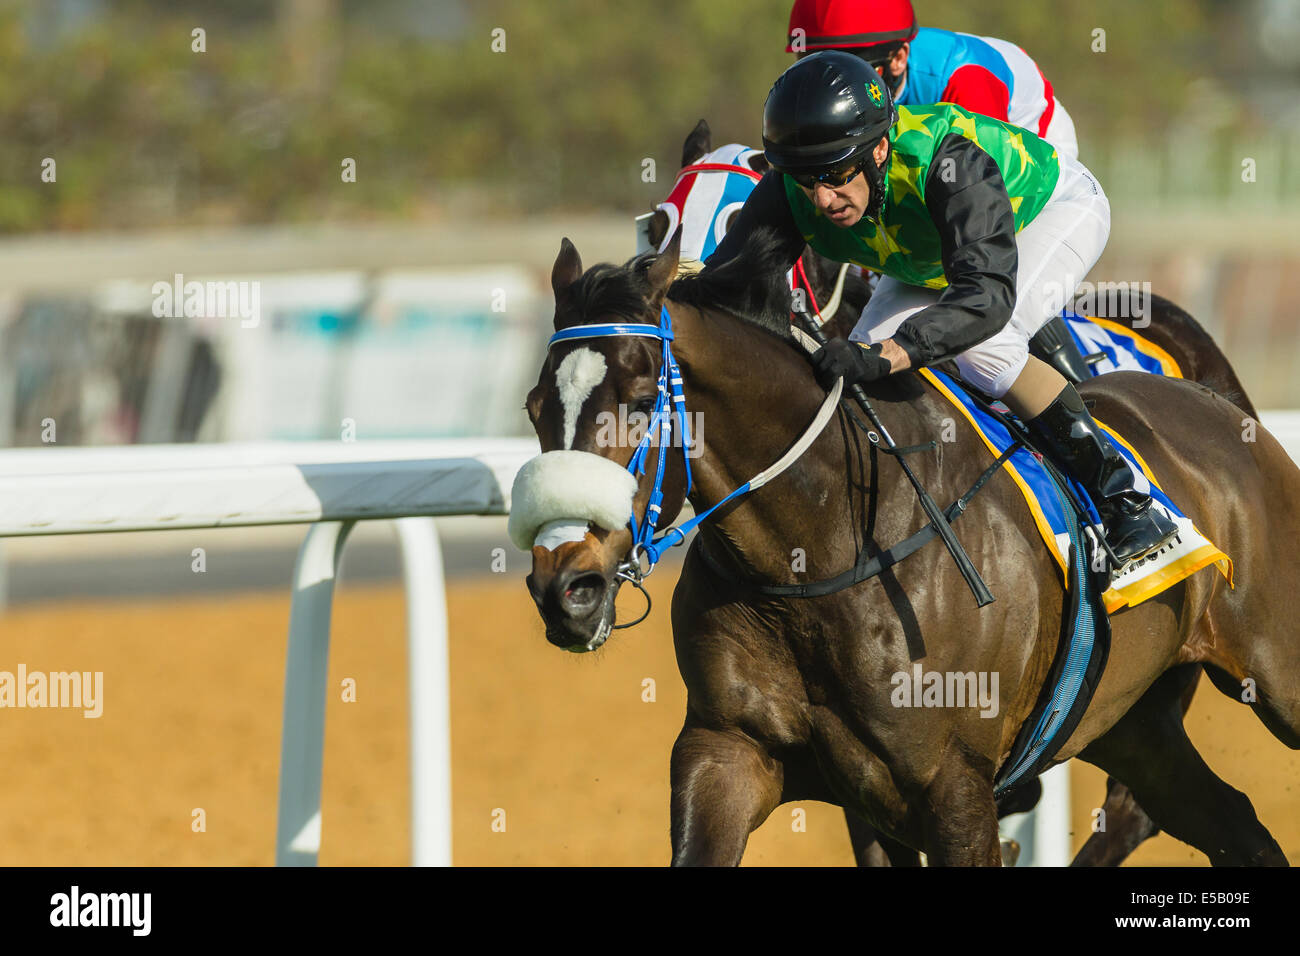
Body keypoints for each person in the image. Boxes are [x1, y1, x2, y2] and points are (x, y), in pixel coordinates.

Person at [705, 51, 1176, 567]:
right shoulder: (794, 188)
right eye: (804, 179)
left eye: (835, 174)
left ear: (879, 148)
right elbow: (719, 289)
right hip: (930, 253)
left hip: (1047, 212)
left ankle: (1126, 498)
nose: (822, 199)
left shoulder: (950, 162)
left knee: (986, 348)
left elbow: (984, 301)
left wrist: (891, 352)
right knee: (854, 374)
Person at [786, 0, 1078, 161]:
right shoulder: (886, 63)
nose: (832, 88)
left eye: (852, 68)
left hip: (1031, 141)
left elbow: (981, 190)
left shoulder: (965, 81)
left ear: (898, 58)